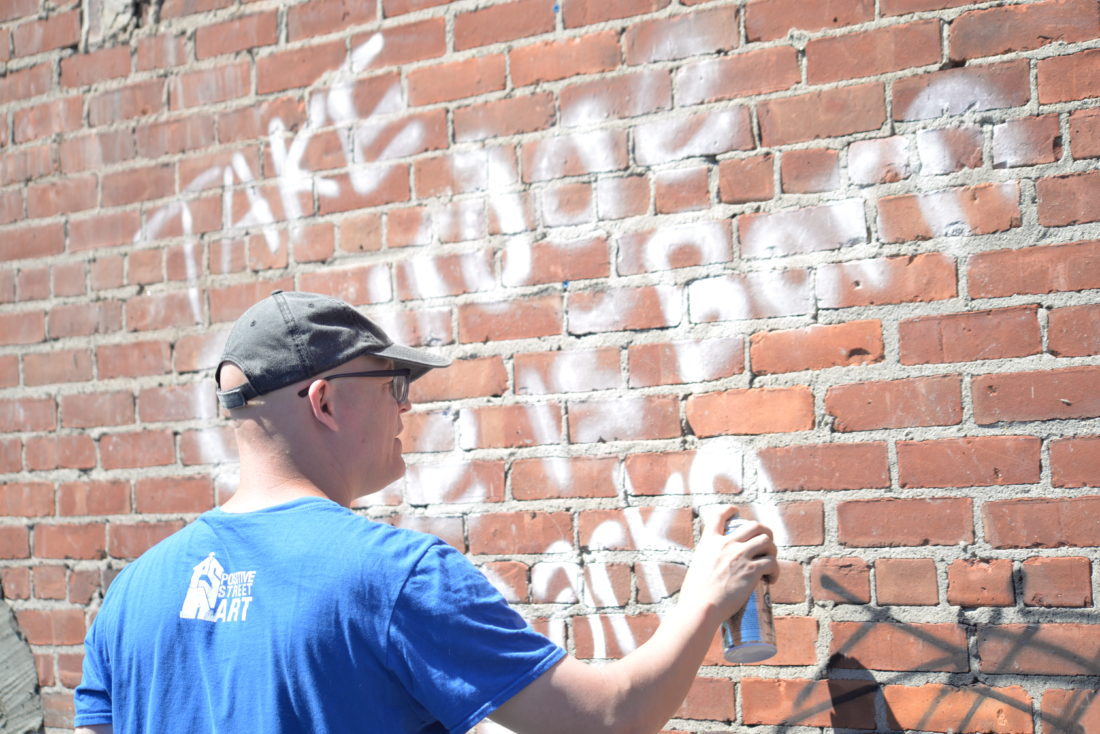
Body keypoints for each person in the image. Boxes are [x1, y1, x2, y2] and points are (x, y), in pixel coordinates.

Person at [74, 290, 778, 734]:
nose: (406, 404)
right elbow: (606, 717)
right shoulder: (392, 579)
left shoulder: (133, 594)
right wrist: (704, 598)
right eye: (393, 382)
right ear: (323, 401)